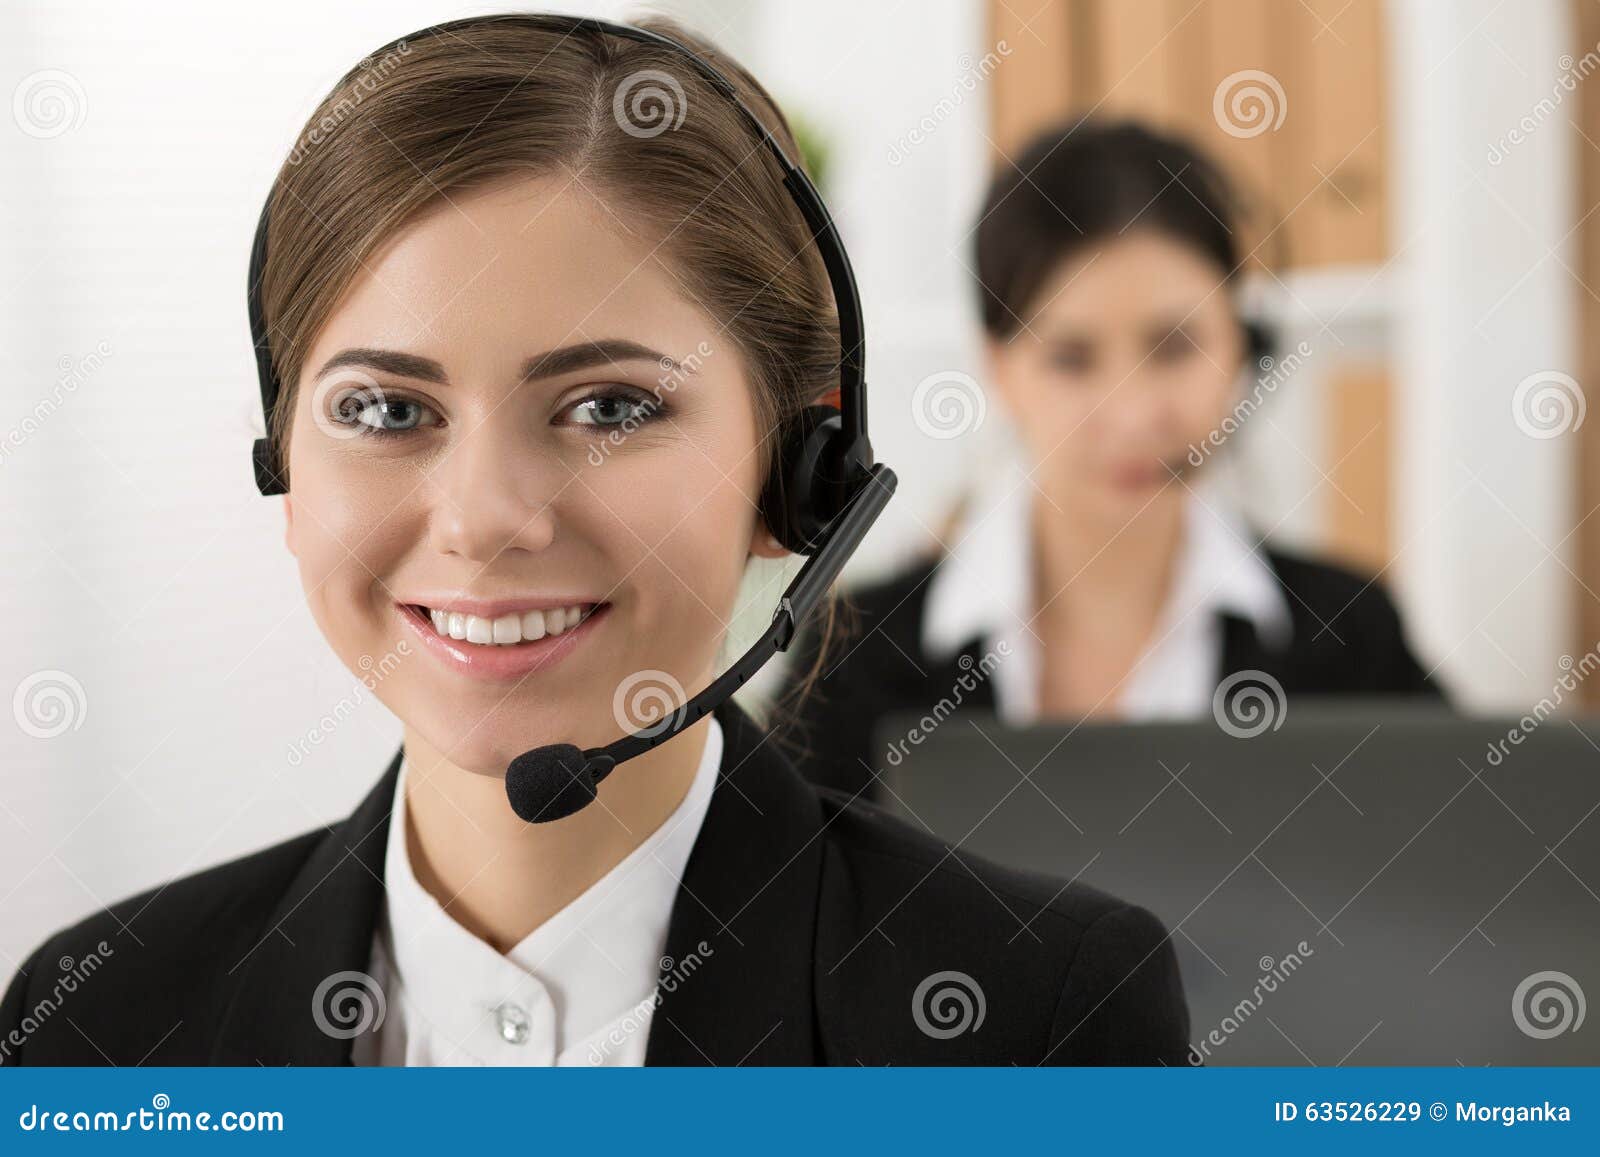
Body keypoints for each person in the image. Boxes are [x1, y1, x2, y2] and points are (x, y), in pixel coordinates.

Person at [0, 17, 1187, 1066]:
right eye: (387, 409)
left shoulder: (1041, 1018)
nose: (481, 518)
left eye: (609, 406)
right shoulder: (96, 1021)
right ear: (286, 471)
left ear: (797, 469)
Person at [780, 119, 1445, 800]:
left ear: (1243, 349)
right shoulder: (855, 656)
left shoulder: (1354, 638)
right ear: (999, 368)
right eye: (1071, 358)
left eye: (1176, 347)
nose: (1130, 415)